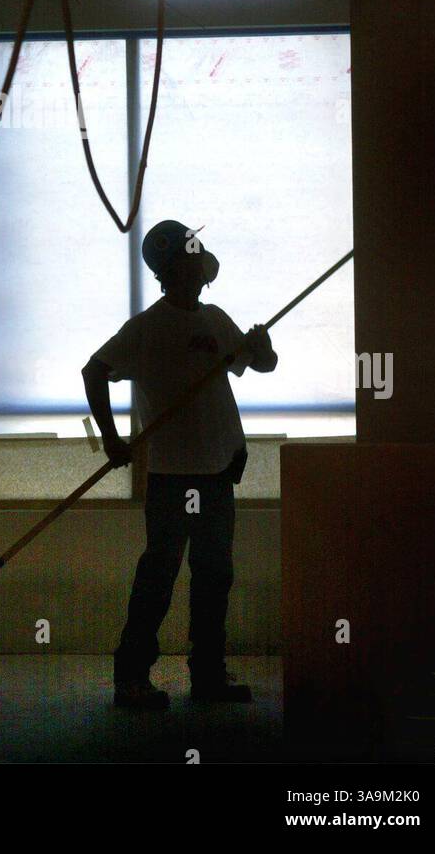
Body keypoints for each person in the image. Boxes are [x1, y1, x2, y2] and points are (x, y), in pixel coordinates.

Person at [82, 220, 278, 711]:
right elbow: (94, 371)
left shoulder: (215, 319)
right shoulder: (147, 328)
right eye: (189, 256)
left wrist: (262, 344)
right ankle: (130, 679)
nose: (198, 262)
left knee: (214, 576)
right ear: (170, 271)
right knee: (160, 574)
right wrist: (111, 439)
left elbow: (263, 365)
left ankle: (208, 676)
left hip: (220, 470)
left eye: (198, 254)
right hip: (172, 476)